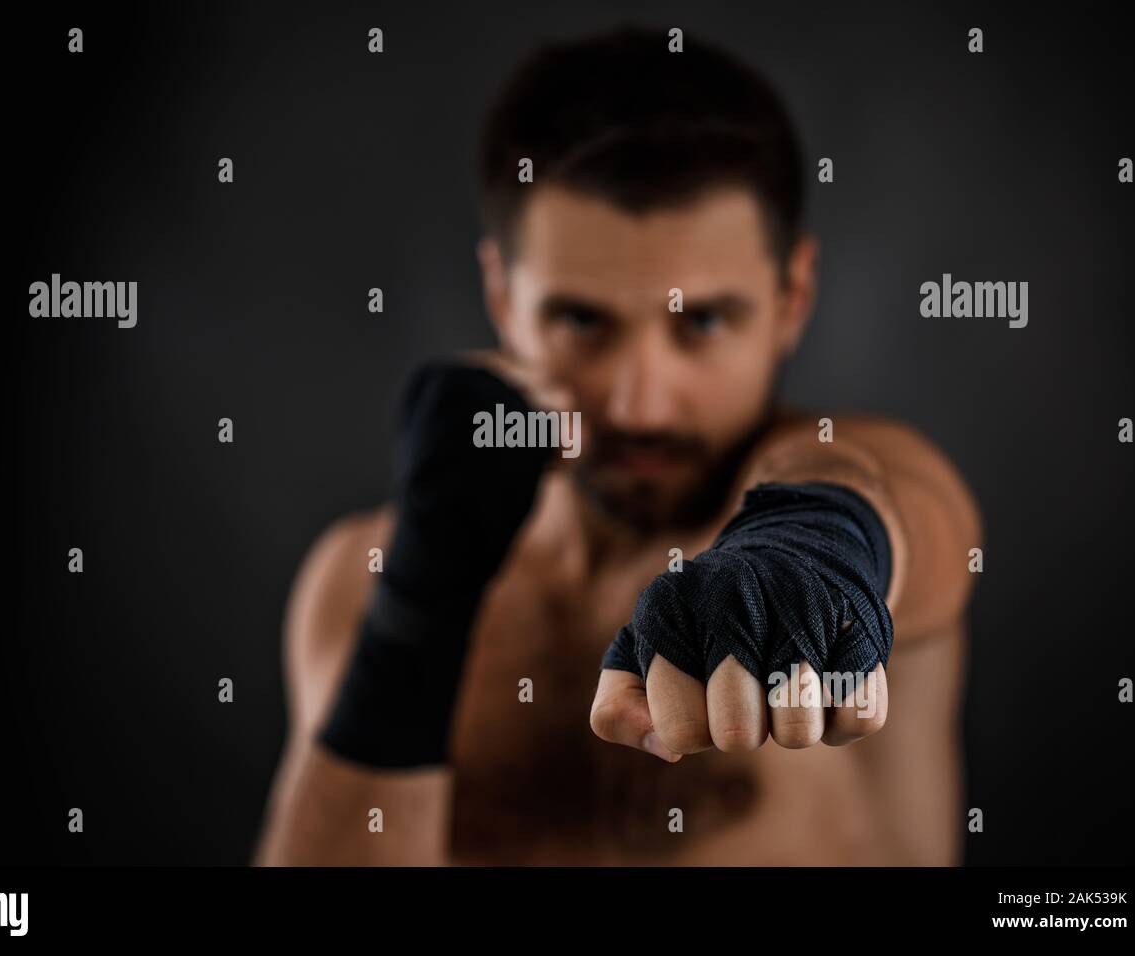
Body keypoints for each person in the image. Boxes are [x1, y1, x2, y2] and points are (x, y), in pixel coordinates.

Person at [254, 25, 982, 866]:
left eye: (703, 321)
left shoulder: (857, 492)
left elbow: (897, 503)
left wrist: (820, 540)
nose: (640, 404)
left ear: (793, 296)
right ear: (501, 293)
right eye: (582, 320)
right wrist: (425, 590)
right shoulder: (361, 577)